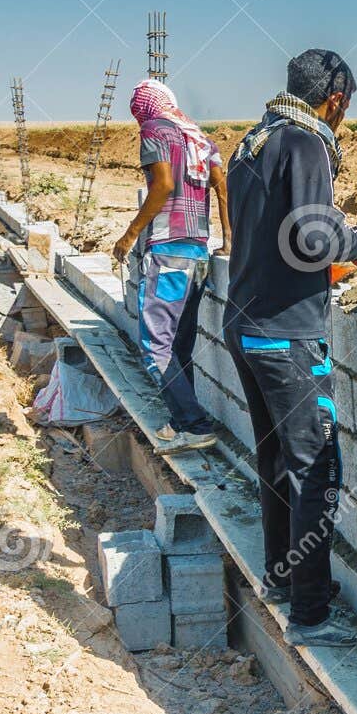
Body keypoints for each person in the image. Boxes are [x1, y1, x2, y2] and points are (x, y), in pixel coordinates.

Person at [224, 49, 357, 648]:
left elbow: (273, 236)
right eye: (346, 109)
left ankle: (283, 577)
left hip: (243, 324)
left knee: (275, 462)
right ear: (336, 100)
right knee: (317, 470)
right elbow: (315, 235)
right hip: (284, 336)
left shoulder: (254, 140)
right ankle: (311, 615)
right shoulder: (308, 143)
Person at [113, 79, 228, 454]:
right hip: (197, 255)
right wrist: (228, 241)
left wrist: (130, 235)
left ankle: (195, 426)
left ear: (144, 108)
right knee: (178, 345)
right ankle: (181, 421)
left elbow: (161, 186)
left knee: (155, 348)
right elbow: (221, 187)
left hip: (167, 254)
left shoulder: (155, 130)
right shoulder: (198, 136)